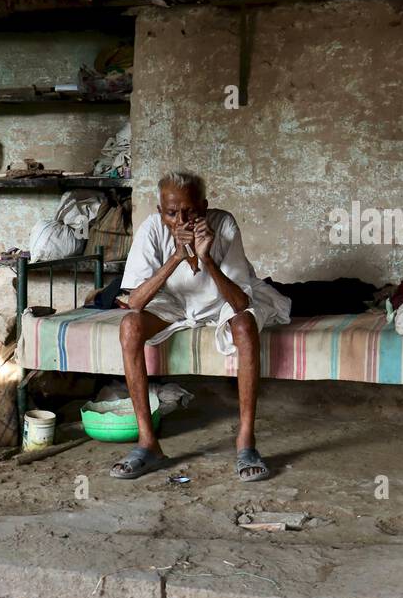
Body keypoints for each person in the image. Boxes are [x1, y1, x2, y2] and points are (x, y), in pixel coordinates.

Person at [110, 171, 290, 481]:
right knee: (129, 326)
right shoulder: (152, 229)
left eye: (190, 211)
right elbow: (135, 302)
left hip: (222, 300)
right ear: (159, 211)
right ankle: (148, 443)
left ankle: (246, 443)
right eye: (171, 213)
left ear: (204, 207)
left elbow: (238, 303)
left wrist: (207, 259)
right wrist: (178, 256)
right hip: (173, 301)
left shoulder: (224, 225)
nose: (180, 220)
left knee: (245, 326)